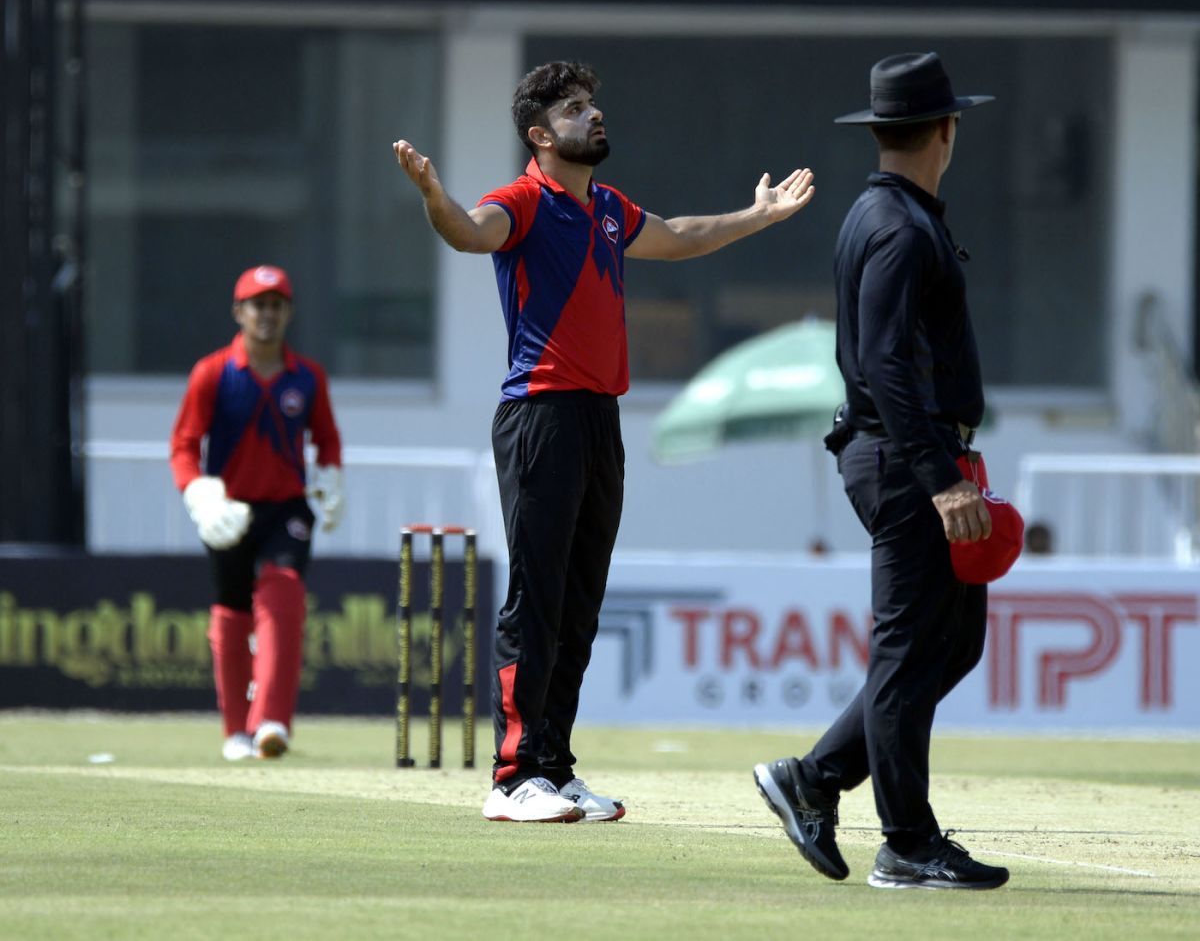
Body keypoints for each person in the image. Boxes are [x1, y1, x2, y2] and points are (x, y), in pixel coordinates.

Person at [393, 61, 815, 823]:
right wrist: (433, 195)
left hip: (598, 417)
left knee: (580, 602)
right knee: (537, 596)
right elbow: (467, 232)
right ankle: (512, 777)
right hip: (541, 417)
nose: (594, 117)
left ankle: (552, 768)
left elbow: (682, 236)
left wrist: (758, 217)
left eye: (592, 105)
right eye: (575, 109)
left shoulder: (610, 209)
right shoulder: (521, 200)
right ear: (539, 134)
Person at [752, 52, 1011, 890]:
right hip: (906, 459)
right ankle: (906, 842)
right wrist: (941, 477)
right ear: (947, 129)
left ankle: (816, 779)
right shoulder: (899, 226)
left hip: (909, 452)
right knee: (908, 651)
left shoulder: (888, 213)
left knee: (954, 642)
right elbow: (889, 366)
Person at [170, 265, 344, 761]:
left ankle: (270, 720)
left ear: (287, 312)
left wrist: (330, 476)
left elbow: (326, 437)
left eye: (275, 305)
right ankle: (235, 732)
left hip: (286, 507)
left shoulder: (306, 377)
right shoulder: (213, 372)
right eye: (257, 305)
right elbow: (183, 444)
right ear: (239, 312)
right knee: (232, 611)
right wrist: (199, 494)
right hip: (227, 510)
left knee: (283, 591)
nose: (266, 314)